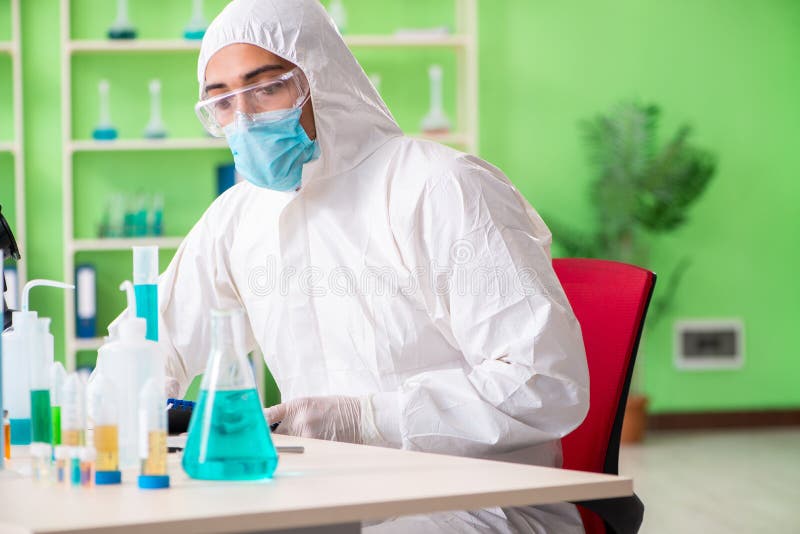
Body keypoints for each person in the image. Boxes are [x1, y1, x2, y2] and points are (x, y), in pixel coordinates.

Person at [151, 0, 590, 531]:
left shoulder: (439, 186)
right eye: (221, 103)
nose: (243, 121)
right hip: (323, 490)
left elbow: (545, 382)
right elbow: (157, 339)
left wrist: (366, 420)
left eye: (267, 89)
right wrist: (133, 393)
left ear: (321, 78)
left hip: (469, 499)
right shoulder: (239, 215)